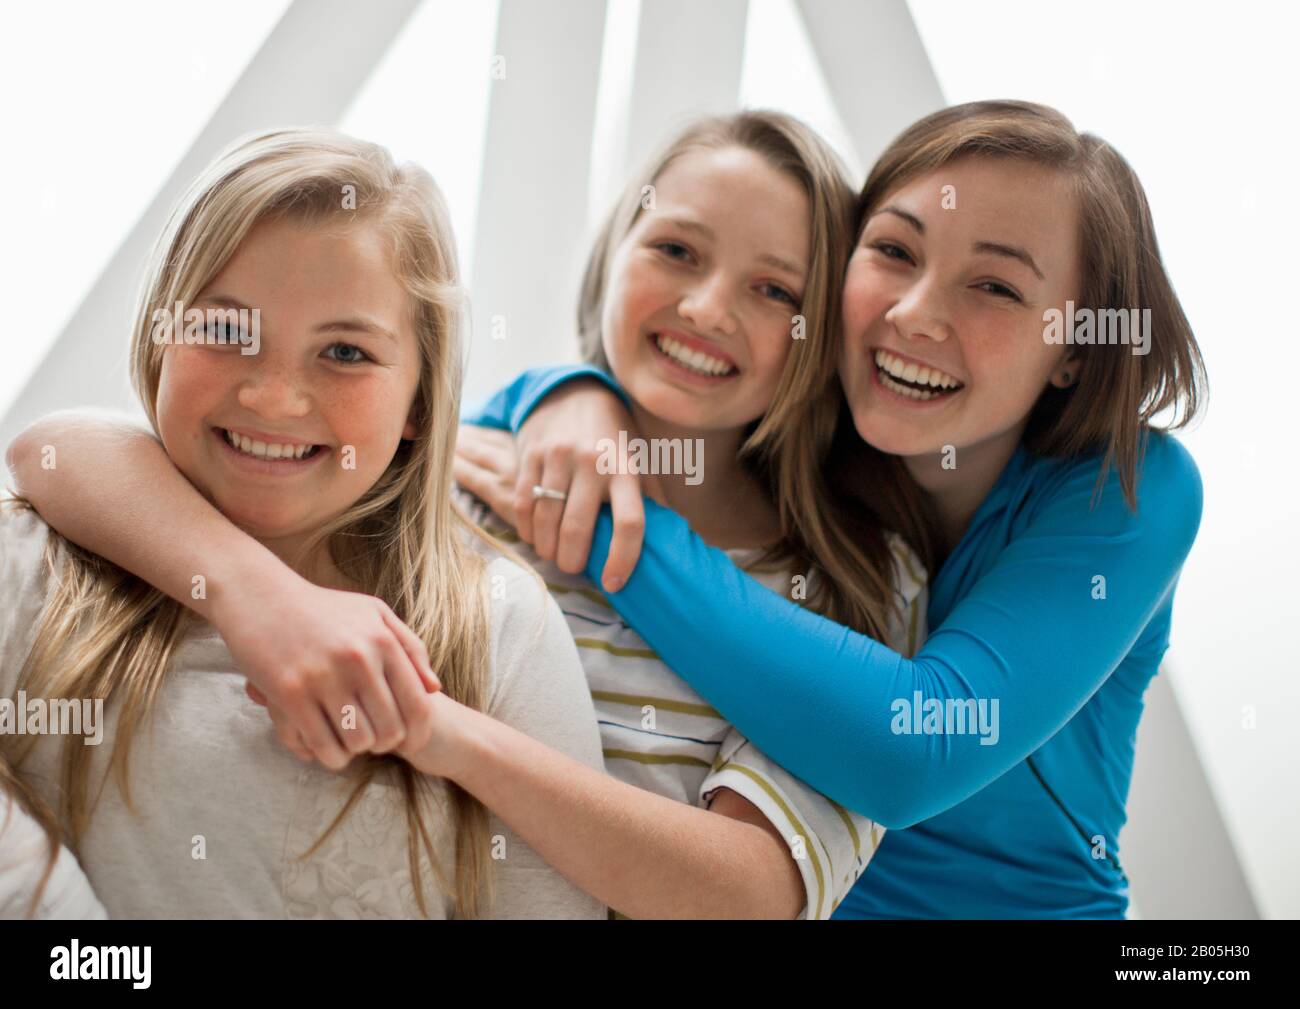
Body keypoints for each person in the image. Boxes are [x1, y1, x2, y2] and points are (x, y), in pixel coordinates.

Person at [457, 100, 1207, 918]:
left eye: (995, 285)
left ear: (1076, 347)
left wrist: (605, 524)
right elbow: (503, 439)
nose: (914, 314)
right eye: (893, 250)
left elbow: (912, 749)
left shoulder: (1132, 489)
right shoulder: (815, 430)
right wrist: (568, 390)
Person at [1, 127, 605, 919]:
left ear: (421, 402)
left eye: (346, 352)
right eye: (224, 331)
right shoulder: (34, 565)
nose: (272, 398)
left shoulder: (498, 627)